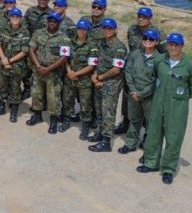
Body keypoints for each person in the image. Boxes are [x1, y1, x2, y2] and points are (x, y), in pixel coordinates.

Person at [137, 33, 192, 184]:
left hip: (177, 108)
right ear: (167, 45)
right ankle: (151, 162)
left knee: (173, 138)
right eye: (170, 44)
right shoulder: (160, 60)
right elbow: (156, 77)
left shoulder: (189, 66)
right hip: (158, 103)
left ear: (182, 46)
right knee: (154, 133)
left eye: (176, 45)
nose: (173, 47)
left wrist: (181, 97)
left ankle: (168, 169)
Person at [87, 18, 129, 153]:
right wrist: (94, 76)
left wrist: (100, 77)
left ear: (115, 30)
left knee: (108, 111)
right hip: (98, 80)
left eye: (110, 28)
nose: (107, 30)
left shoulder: (119, 47)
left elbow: (117, 69)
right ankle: (100, 132)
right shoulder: (101, 43)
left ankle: (106, 141)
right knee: (99, 108)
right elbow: (95, 61)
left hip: (111, 83)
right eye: (105, 28)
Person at [26, 13, 71, 133]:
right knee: (36, 94)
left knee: (53, 98)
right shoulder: (38, 33)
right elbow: (31, 49)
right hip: (38, 70)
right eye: (50, 20)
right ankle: (37, 115)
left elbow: (64, 57)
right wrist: (38, 66)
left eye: (54, 21)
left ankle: (53, 122)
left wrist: (49, 69)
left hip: (53, 73)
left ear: (59, 23)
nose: (52, 23)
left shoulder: (64, 38)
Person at [120, 29, 160, 154]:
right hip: (134, 93)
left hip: (150, 96)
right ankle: (130, 143)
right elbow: (128, 71)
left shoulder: (160, 59)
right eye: (145, 38)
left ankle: (147, 146)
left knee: (150, 122)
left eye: (151, 39)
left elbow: (157, 81)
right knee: (134, 120)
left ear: (156, 42)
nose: (148, 41)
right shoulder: (135, 54)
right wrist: (133, 91)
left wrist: (142, 94)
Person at [0, 7, 30, 121]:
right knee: (2, 86)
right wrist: (3, 58)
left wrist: (10, 61)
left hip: (16, 66)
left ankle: (14, 111)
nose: (15, 18)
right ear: (9, 17)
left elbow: (24, 51)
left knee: (15, 88)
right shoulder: (3, 29)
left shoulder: (25, 32)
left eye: (17, 16)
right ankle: (1, 107)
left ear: (21, 18)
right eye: (13, 16)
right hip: (2, 63)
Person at [65, 20, 98, 140]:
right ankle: (66, 121)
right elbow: (65, 59)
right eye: (79, 28)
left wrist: (76, 73)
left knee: (85, 105)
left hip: (84, 80)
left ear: (87, 31)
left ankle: (85, 127)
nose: (81, 31)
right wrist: (69, 71)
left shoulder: (92, 46)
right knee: (68, 100)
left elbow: (92, 65)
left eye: (84, 29)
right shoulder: (70, 43)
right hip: (70, 78)